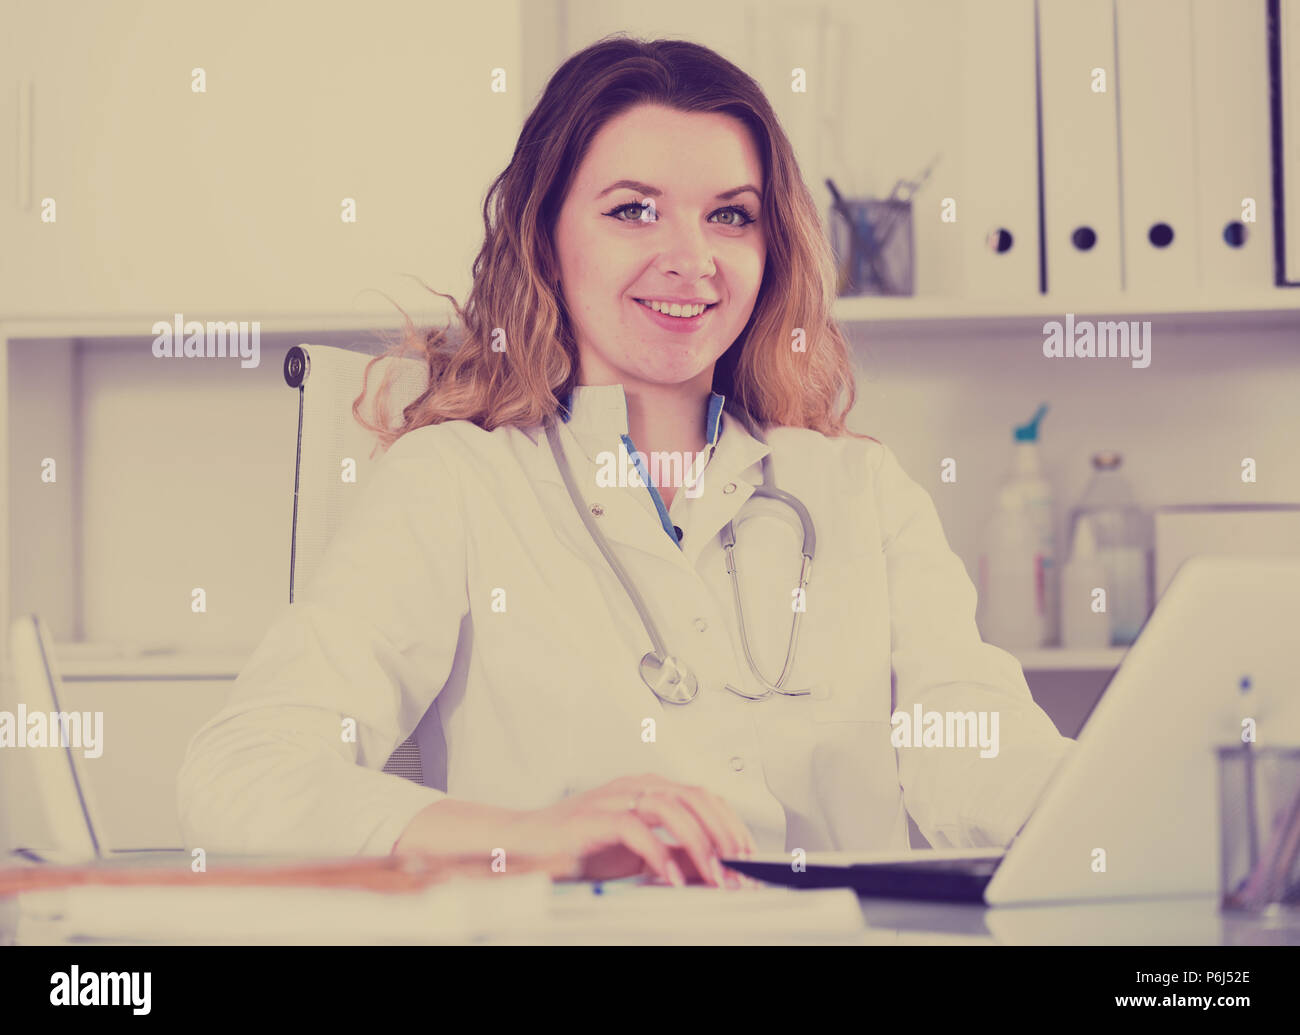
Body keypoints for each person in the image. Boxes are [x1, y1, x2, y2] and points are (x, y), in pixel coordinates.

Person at [177, 36, 1073, 889]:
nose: (692, 259)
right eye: (632, 210)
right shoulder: (453, 483)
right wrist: (531, 839)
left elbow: (971, 739)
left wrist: (1117, 814)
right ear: (546, 240)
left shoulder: (859, 491)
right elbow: (244, 768)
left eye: (731, 215)